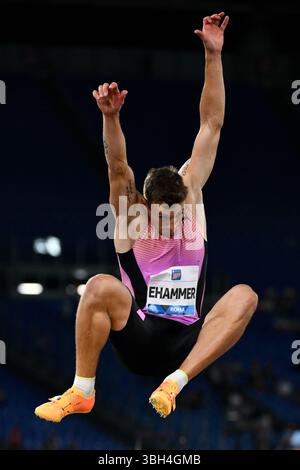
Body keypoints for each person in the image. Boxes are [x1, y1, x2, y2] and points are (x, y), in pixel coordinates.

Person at [35, 11, 258, 422]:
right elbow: (118, 168)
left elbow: (212, 123)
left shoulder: (191, 200)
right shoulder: (132, 218)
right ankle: (82, 390)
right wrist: (110, 117)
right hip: (140, 338)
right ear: (147, 207)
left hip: (188, 342)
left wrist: (213, 56)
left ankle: (175, 383)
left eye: (178, 215)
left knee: (245, 295)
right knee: (99, 286)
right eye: (165, 217)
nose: (174, 224)